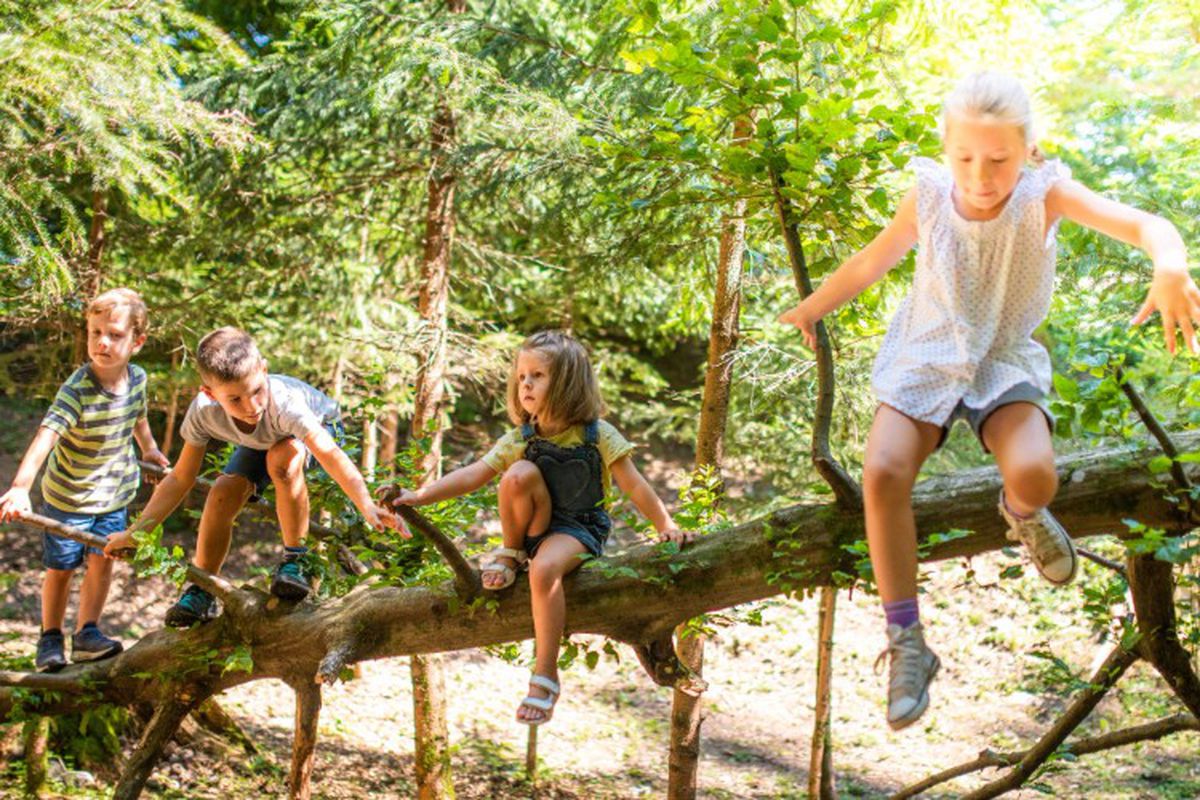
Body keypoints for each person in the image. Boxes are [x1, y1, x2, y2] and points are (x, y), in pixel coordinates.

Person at [779, 71, 1200, 730]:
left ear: (1028, 149)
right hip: (926, 353)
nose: (981, 175)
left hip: (1002, 360)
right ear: (946, 150)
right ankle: (907, 642)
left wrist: (1170, 266)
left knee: (1035, 474)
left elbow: (1148, 225)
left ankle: (1022, 511)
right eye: (965, 157)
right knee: (882, 473)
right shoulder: (927, 196)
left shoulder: (1044, 194)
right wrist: (812, 307)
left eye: (999, 159)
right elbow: (871, 261)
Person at [387, 330, 690, 725]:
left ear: (567, 383)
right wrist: (419, 495)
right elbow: (474, 474)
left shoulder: (598, 434)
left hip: (579, 530)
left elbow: (635, 485)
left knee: (545, 570)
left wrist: (666, 524)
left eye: (538, 376)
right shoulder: (522, 437)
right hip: (536, 527)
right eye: (521, 377)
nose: (525, 384)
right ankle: (511, 553)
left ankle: (545, 674)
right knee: (517, 473)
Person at [104, 326, 403, 626]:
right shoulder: (204, 412)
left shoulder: (285, 404)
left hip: (323, 426)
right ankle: (204, 588)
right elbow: (181, 477)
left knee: (282, 460)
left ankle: (296, 561)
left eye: (257, 390)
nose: (251, 406)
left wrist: (366, 504)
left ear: (264, 370)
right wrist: (136, 533)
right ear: (209, 394)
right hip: (263, 441)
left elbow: (329, 453)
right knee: (221, 492)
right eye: (234, 400)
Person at [0, 289, 169, 671]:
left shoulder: (137, 379)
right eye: (96, 333)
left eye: (114, 334)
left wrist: (149, 449)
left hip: (114, 496)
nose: (102, 342)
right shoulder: (77, 389)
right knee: (61, 568)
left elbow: (138, 416)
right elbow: (47, 435)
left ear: (137, 341)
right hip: (69, 498)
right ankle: (50, 638)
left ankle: (87, 633)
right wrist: (21, 487)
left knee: (103, 560)